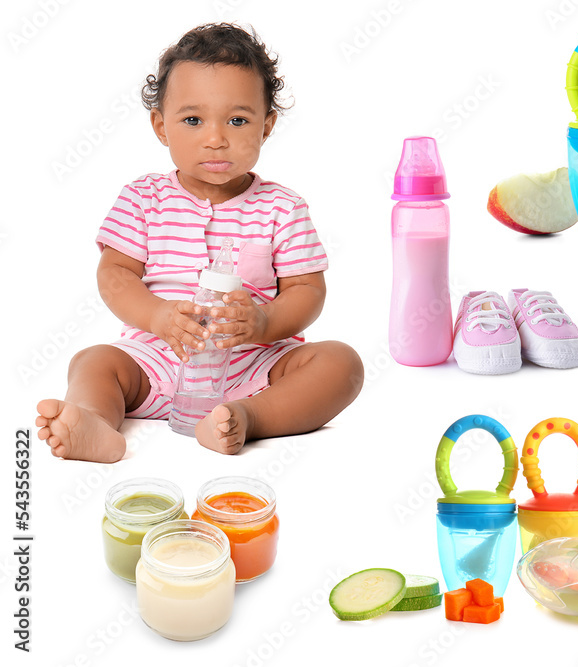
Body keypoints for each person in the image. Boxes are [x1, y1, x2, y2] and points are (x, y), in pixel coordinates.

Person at [36, 23, 363, 462]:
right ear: (161, 126)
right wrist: (158, 315)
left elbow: (308, 290)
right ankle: (93, 420)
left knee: (341, 364)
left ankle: (246, 417)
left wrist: (264, 323)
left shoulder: (282, 207)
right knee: (93, 361)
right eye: (193, 120)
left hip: (255, 365)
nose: (216, 138)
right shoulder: (143, 198)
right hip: (155, 359)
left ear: (266, 126)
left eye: (238, 120)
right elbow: (115, 274)